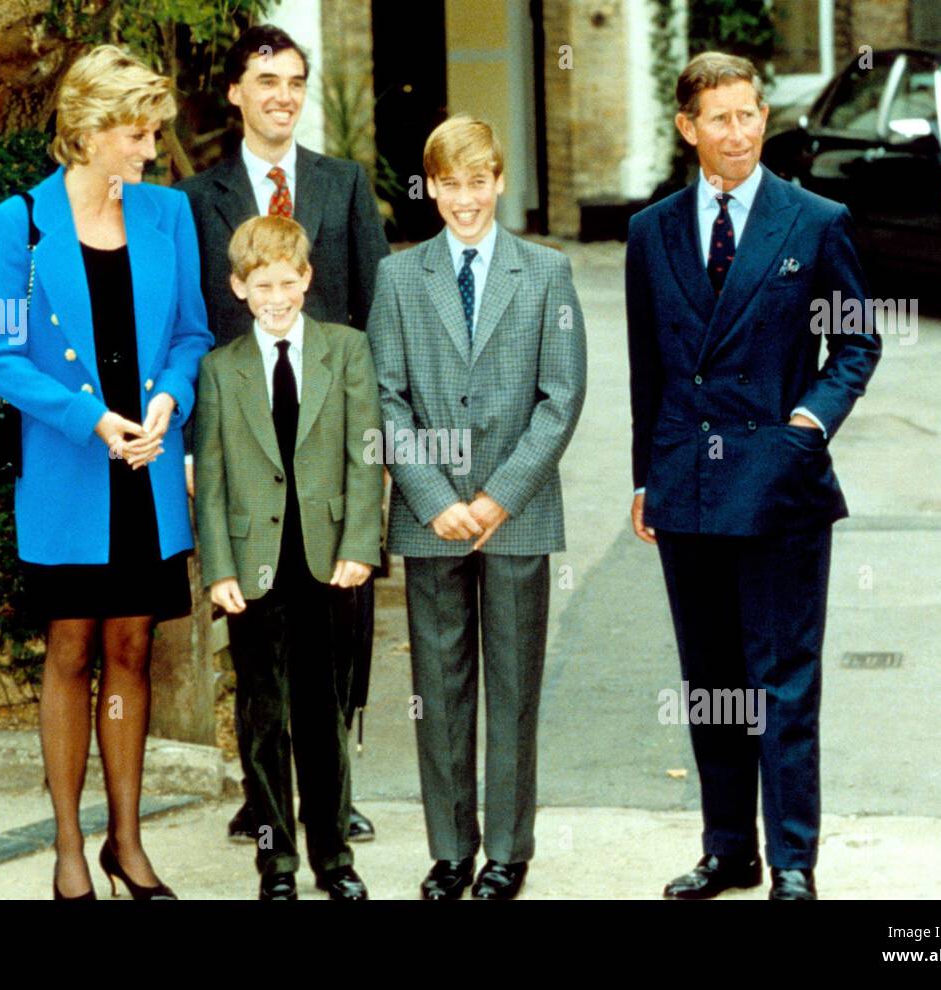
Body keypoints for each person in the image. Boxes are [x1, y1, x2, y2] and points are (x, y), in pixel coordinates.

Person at [625, 52, 882, 901]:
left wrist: (807, 425)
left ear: (763, 118)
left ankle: (795, 862)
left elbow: (855, 341)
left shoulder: (814, 221)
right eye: (719, 118)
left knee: (784, 683)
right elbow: (647, 370)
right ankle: (727, 849)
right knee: (713, 685)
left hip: (781, 489)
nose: (737, 133)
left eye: (750, 114)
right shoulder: (650, 231)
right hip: (687, 488)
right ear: (687, 128)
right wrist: (643, 480)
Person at [0, 44, 212, 900]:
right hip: (68, 471)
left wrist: (167, 405)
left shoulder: (168, 217)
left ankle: (127, 841)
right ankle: (71, 850)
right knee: (71, 648)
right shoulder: (17, 224)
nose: (151, 152)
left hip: (145, 470)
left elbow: (190, 334)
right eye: (139, 135)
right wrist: (91, 420)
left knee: (134, 645)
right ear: (90, 131)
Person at [177, 23, 390, 845]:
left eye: (296, 81)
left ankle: (336, 791)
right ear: (235, 92)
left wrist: (379, 454)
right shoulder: (199, 201)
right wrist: (199, 445)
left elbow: (377, 315)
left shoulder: (342, 185)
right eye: (266, 80)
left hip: (331, 443)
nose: (283, 96)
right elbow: (192, 328)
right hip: (247, 444)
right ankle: (263, 794)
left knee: (340, 626)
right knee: (258, 629)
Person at [368, 115, 586, 900]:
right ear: (429, 189)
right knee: (441, 685)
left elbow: (560, 398)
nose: (465, 199)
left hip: (516, 510)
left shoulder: (547, 272)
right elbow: (386, 400)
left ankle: (508, 851)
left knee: (513, 687)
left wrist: (497, 495)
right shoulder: (399, 278)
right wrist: (433, 499)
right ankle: (451, 848)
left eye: (478, 182)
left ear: (500, 181)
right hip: (433, 521)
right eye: (448, 184)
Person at [193, 215, 383, 900]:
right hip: (253, 565)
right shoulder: (220, 370)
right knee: (262, 716)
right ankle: (276, 861)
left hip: (329, 560)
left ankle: (334, 859)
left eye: (287, 281)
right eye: (260, 284)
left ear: (307, 278)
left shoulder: (346, 351)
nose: (276, 296)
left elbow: (367, 455)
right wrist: (219, 567)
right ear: (239, 287)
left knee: (322, 714)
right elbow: (209, 479)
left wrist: (362, 544)